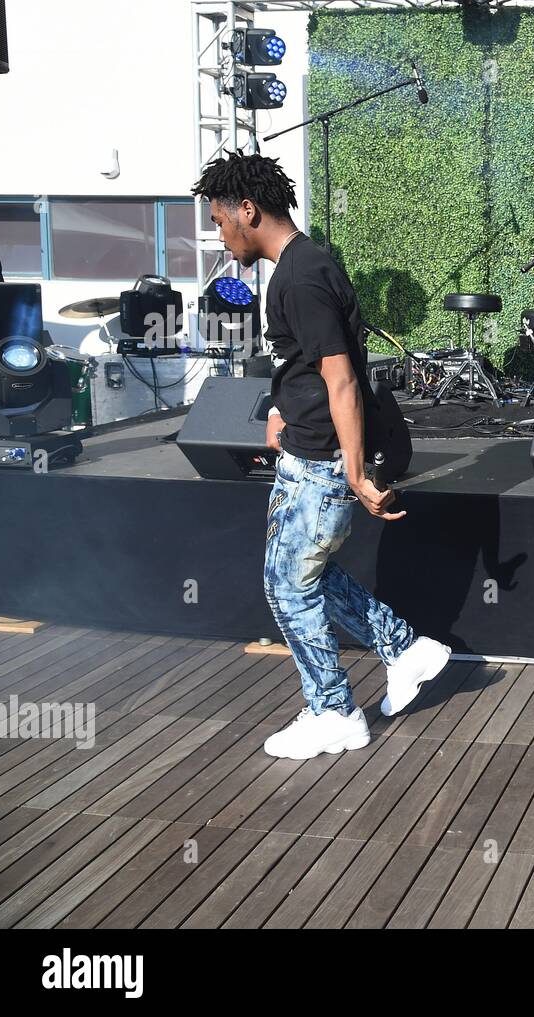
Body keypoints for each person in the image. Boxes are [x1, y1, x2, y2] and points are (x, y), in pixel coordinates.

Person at [191, 150, 451, 761]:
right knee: (308, 577)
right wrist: (282, 409)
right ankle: (407, 650)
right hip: (309, 447)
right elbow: (309, 365)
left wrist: (356, 474)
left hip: (321, 462)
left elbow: (342, 381)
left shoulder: (300, 276)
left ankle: (333, 711)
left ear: (247, 211)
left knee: (286, 588)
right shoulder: (301, 267)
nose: (219, 236)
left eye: (221, 222)